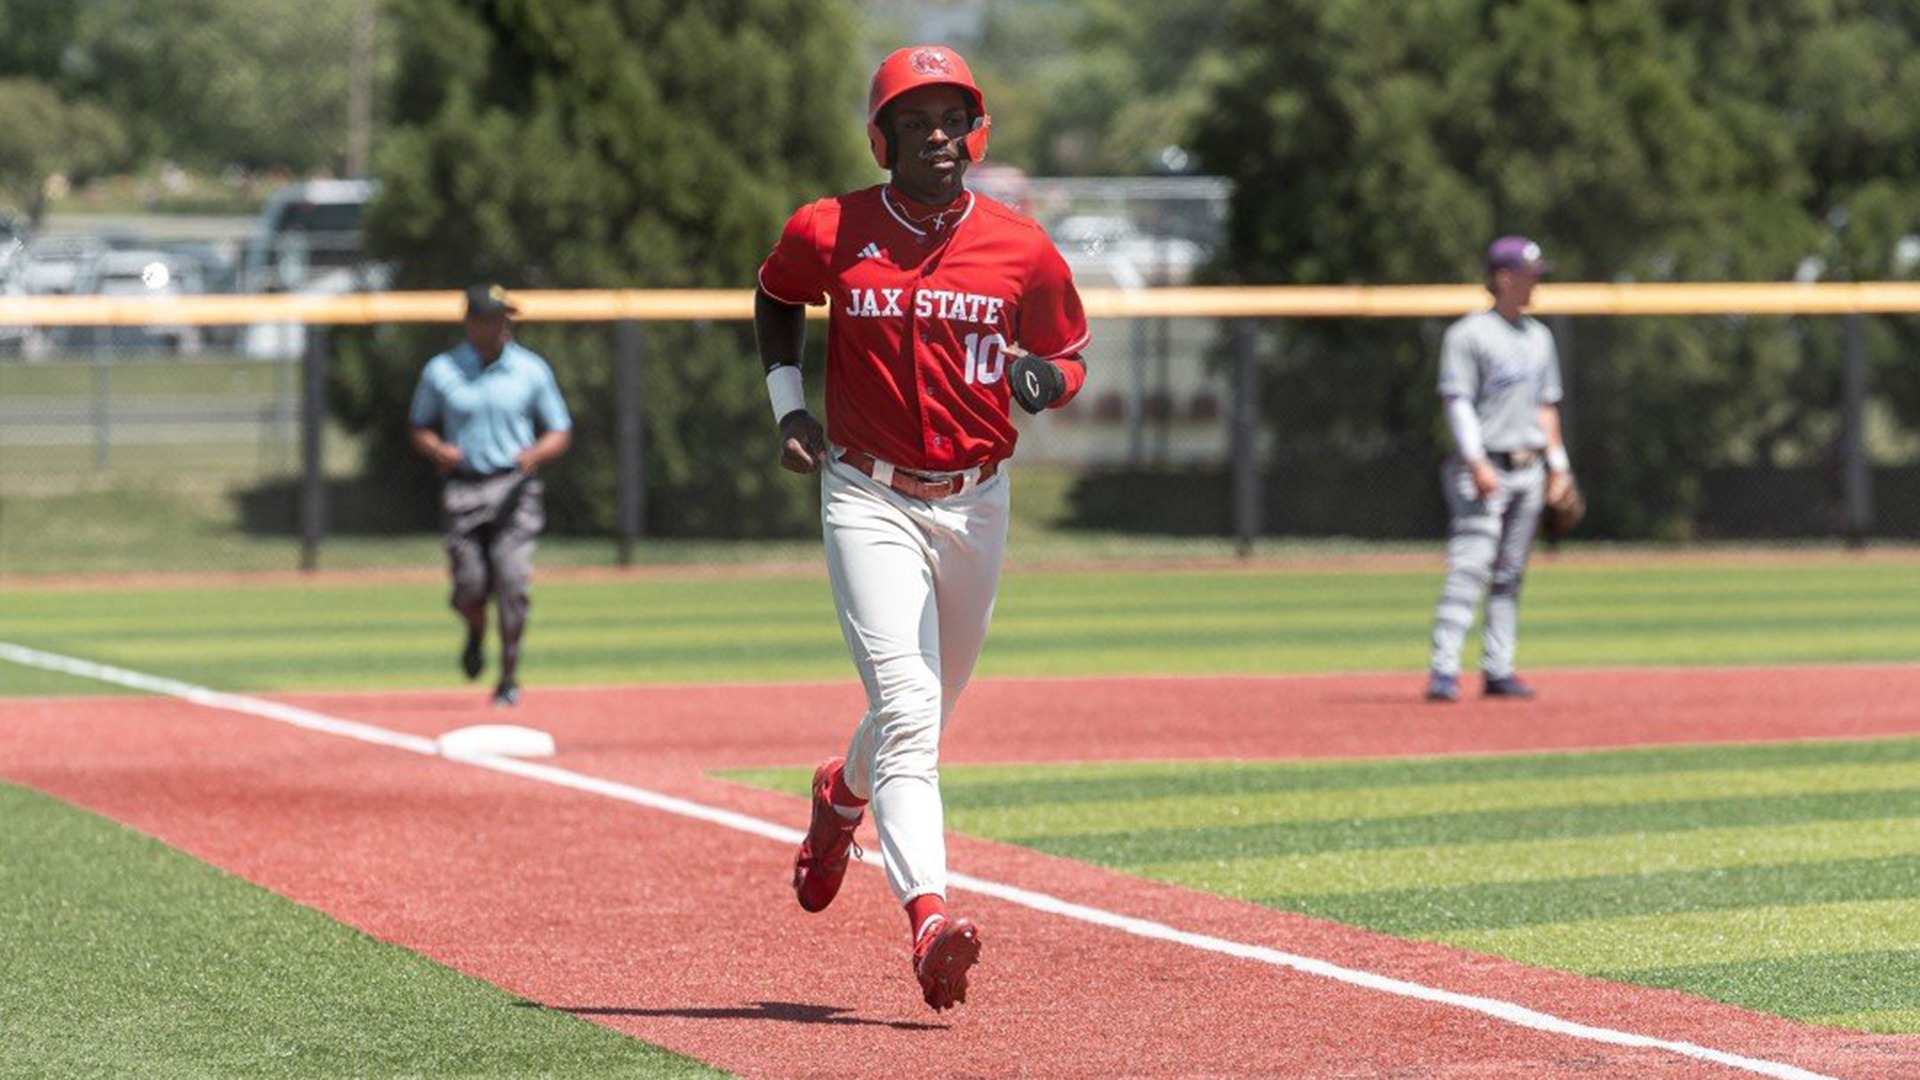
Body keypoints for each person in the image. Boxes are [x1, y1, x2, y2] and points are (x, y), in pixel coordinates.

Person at [753, 44, 1089, 1011]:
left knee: (921, 715)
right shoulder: (831, 228)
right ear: (883, 137)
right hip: (868, 493)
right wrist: (788, 408)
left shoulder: (1022, 247)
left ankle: (839, 797)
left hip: (977, 501)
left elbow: (1069, 352)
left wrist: (1048, 380)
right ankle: (930, 919)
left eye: (951, 120)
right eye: (914, 121)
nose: (936, 136)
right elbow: (776, 295)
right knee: (908, 709)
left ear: (973, 133)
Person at [1425, 237, 1575, 703]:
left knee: (1510, 573)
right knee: (1470, 568)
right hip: (1483, 466)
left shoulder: (1538, 337)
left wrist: (1559, 467)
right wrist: (1475, 461)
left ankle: (1498, 668)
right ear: (1503, 278)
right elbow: (1457, 402)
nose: (1536, 284)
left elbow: (1546, 407)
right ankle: (1444, 669)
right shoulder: (1467, 334)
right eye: (1530, 276)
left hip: (1529, 468)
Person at [408, 284, 573, 708]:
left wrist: (537, 452)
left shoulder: (531, 369)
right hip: (464, 488)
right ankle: (475, 627)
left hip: (514, 487)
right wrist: (436, 449)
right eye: (493, 318)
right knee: (469, 589)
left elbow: (560, 429)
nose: (503, 325)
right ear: (472, 323)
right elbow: (419, 426)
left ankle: (509, 677)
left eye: (505, 317)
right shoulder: (442, 370)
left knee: (512, 581)